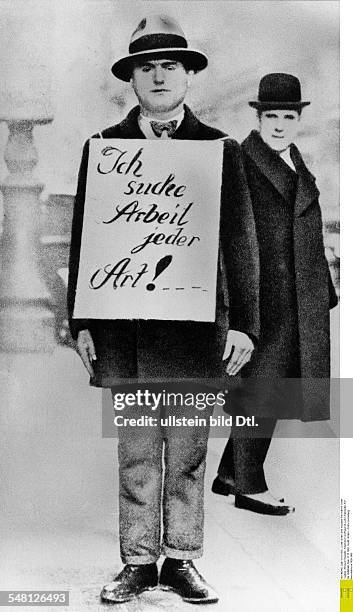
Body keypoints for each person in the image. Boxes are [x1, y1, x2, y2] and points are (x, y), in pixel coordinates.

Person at [67, 15, 260, 604]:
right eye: (145, 67)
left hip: (197, 330)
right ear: (130, 79)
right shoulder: (104, 149)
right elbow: (84, 239)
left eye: (169, 66)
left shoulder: (219, 150)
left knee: (187, 454)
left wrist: (247, 326)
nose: (157, 76)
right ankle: (136, 561)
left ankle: (181, 560)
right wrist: (79, 321)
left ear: (188, 77)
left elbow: (242, 243)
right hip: (125, 330)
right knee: (135, 455)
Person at [212, 73, 338, 516]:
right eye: (272, 116)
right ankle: (249, 484)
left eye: (288, 116)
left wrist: (323, 289)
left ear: (298, 118)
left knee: (273, 387)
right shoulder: (244, 160)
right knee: (260, 390)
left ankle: (230, 474)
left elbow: (309, 229)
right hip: (262, 298)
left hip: (298, 297)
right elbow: (230, 237)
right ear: (259, 117)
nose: (280, 124)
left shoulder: (293, 160)